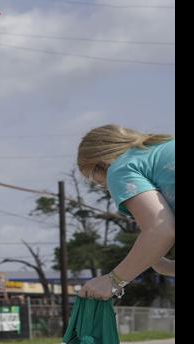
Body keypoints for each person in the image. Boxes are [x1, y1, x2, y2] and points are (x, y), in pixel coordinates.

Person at [74, 126, 175, 300]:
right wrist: (162, 264)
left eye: (96, 180)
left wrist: (114, 280)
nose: (104, 187)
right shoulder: (160, 150)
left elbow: (161, 229)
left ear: (101, 164)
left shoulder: (120, 167)